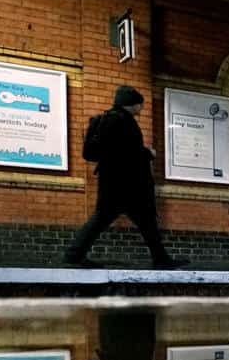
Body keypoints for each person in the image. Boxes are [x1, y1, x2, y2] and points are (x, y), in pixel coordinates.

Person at [64, 86, 188, 269]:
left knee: (133, 220)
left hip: (113, 181)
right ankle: (74, 255)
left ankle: (74, 255)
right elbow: (129, 151)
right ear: (131, 104)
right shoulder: (122, 121)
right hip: (127, 183)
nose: (141, 108)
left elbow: (117, 149)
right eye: (139, 104)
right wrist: (149, 154)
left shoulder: (110, 119)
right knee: (141, 220)